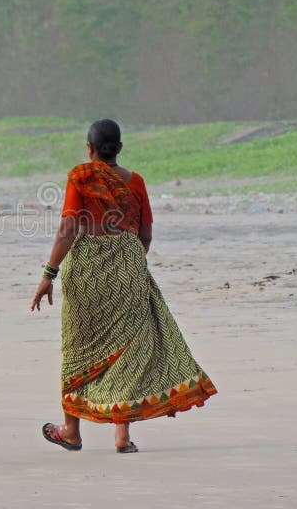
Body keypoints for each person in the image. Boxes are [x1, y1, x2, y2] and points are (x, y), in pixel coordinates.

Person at [31, 119, 216, 453]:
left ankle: (71, 432)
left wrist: (49, 274)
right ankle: (122, 437)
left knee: (78, 349)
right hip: (128, 268)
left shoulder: (81, 176)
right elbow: (145, 236)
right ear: (119, 148)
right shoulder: (137, 182)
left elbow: (68, 229)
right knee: (126, 350)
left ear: (89, 148)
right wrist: (127, 261)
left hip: (85, 270)